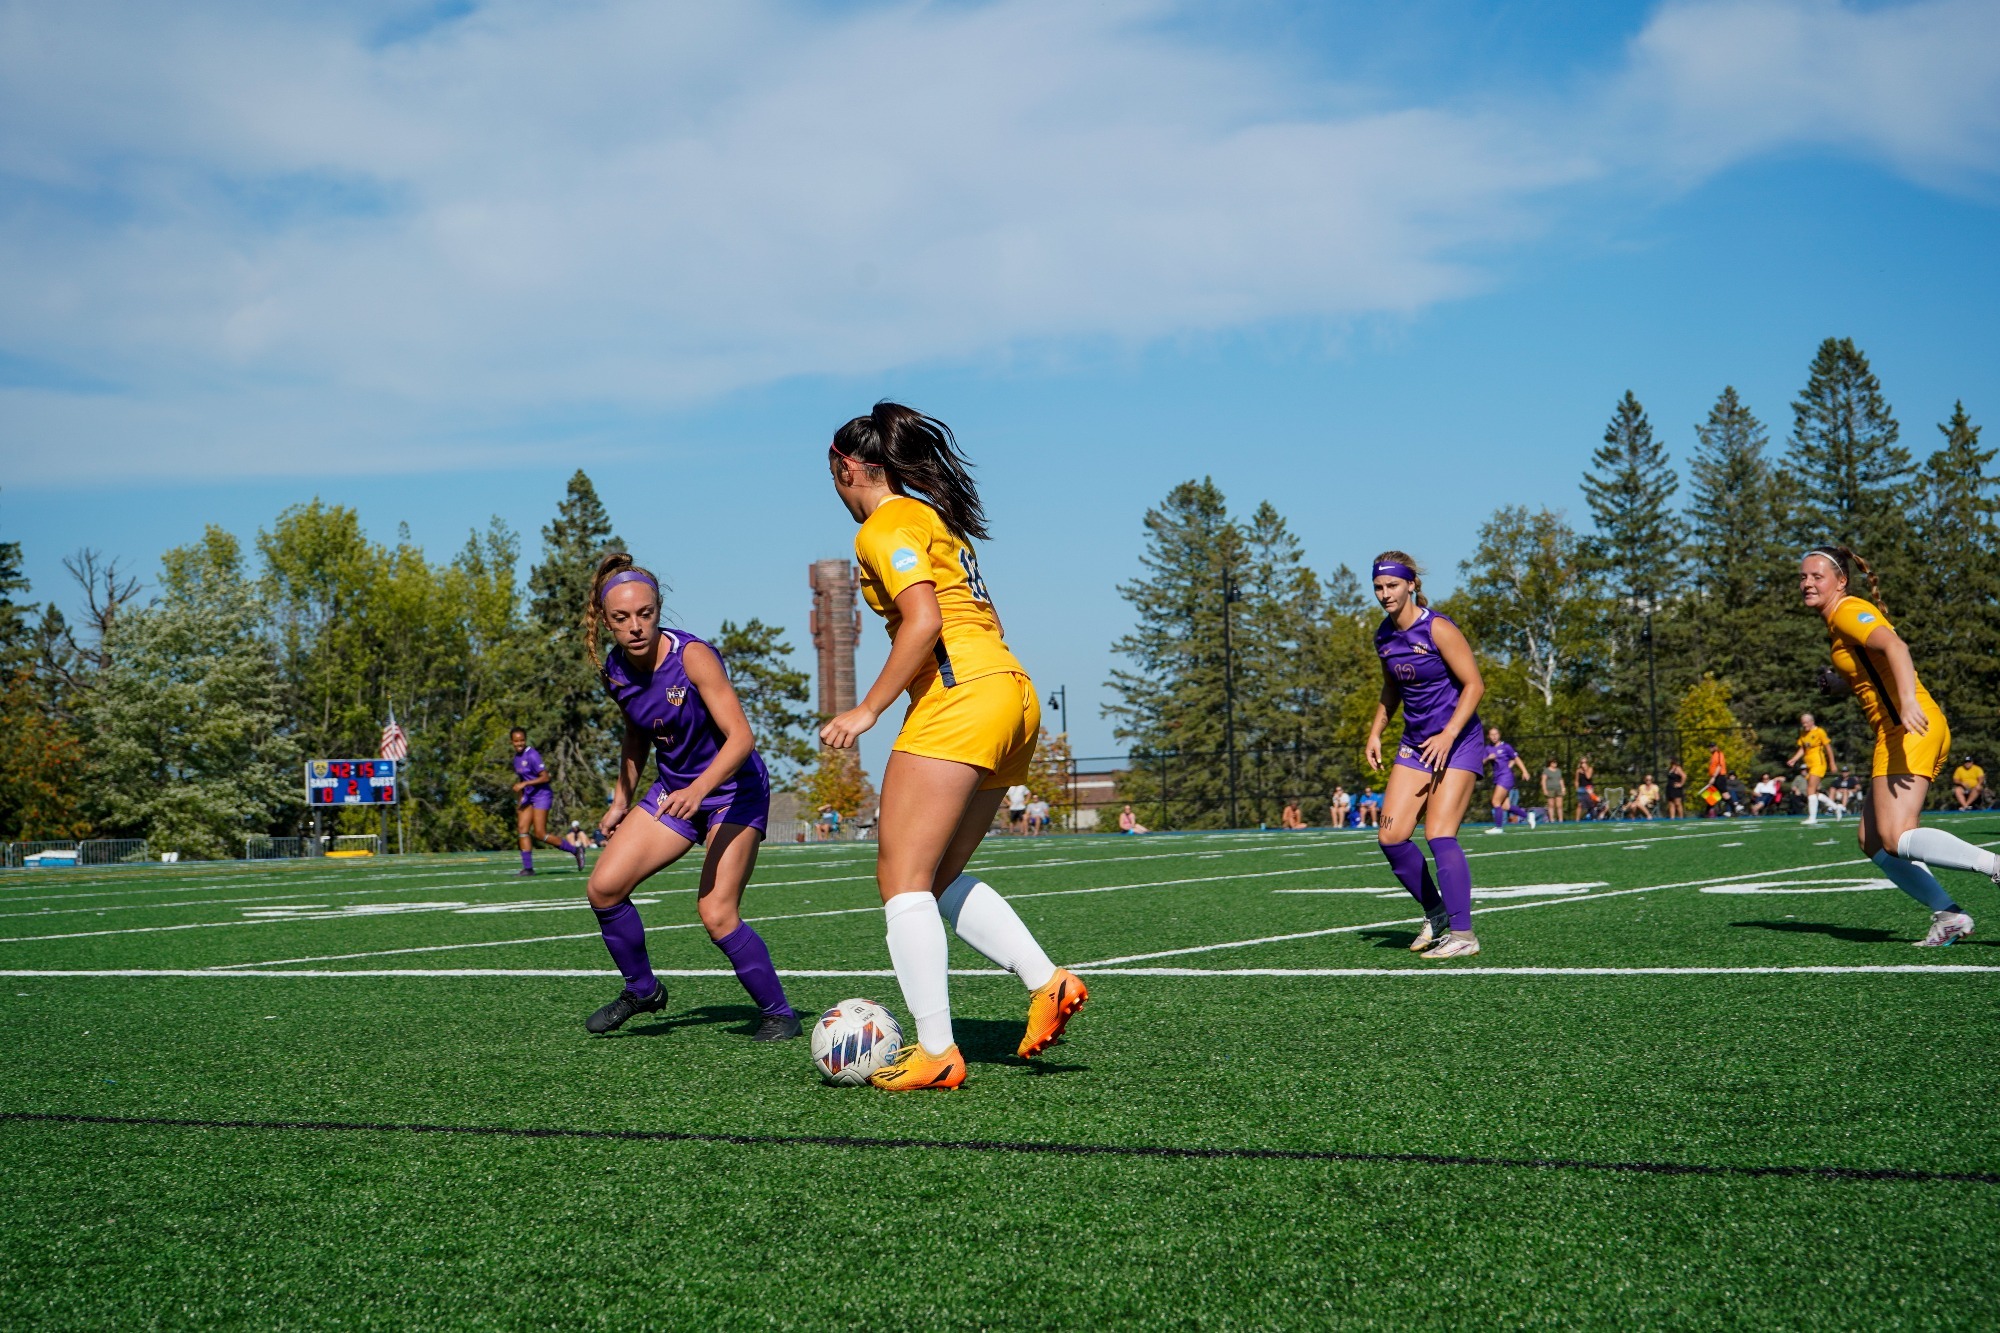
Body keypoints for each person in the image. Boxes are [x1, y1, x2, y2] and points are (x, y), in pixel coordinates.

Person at [820, 403, 1086, 1090]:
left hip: (961, 696)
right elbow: (981, 616)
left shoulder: (884, 525)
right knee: (935, 877)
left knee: (901, 880)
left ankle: (937, 1050)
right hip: (1009, 691)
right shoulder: (936, 520)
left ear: (847, 467)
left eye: (832, 476)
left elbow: (924, 619)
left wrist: (868, 709)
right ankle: (1047, 981)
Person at [580, 554, 800, 1041]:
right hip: (675, 792)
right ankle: (642, 990)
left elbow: (741, 738)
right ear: (606, 621)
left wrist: (699, 790)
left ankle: (779, 1013)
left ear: (659, 610)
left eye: (645, 613)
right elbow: (636, 734)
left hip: (733, 791)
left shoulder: (692, 657)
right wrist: (620, 800)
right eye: (622, 617)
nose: (636, 626)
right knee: (604, 889)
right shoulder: (615, 669)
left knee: (716, 913)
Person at [1801, 544, 1999, 946]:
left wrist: (1907, 702)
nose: (1807, 583)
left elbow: (1896, 647)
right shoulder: (1838, 621)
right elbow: (1873, 669)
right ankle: (1949, 915)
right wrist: (1841, 682)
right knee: (1873, 840)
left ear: (1841, 581)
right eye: (1803, 577)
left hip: (1908, 729)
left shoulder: (1846, 610)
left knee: (1896, 836)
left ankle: (1994, 865)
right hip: (1903, 731)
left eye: (1817, 576)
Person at [1364, 551, 1487, 961]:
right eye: (1379, 587)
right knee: (1390, 836)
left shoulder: (1438, 628)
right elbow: (1391, 689)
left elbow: (1474, 685)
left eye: (1393, 585)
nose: (1385, 594)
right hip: (1414, 744)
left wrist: (1449, 734)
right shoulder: (1384, 636)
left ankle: (1464, 934)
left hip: (1458, 741)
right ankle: (1435, 912)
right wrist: (1375, 732)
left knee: (1439, 834)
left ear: (1411, 584)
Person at [509, 728, 587, 876]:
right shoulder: (516, 758)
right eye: (516, 741)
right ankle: (528, 868)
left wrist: (525, 784)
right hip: (529, 796)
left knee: (540, 834)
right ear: (512, 742)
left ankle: (575, 850)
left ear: (525, 740)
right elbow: (521, 780)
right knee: (522, 830)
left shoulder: (532, 755)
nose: (519, 743)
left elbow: (545, 777)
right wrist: (520, 800)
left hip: (542, 795)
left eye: (522, 740)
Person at [1787, 711, 1842, 825]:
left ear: (1812, 722)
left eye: (1806, 723)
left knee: (1810, 789)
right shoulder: (1803, 733)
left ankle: (1812, 818)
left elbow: (1828, 748)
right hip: (1809, 765)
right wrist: (1794, 759)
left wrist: (1832, 763)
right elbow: (1803, 748)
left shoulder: (1819, 731)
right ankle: (1836, 807)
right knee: (1813, 792)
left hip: (1819, 764)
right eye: (1803, 723)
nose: (1804, 725)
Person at [1480, 725, 1535, 834]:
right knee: (1505, 806)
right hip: (1497, 778)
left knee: (1495, 801)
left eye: (1496, 734)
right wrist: (1488, 758)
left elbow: (1516, 759)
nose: (1494, 736)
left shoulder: (1506, 747)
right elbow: (1481, 762)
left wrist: (1524, 771)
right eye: (1492, 735)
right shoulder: (1488, 749)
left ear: (1499, 735)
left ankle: (1498, 827)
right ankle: (1528, 816)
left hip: (1506, 776)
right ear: (1489, 736)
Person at [1540, 759, 1565, 823]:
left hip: (1558, 789)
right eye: (1553, 762)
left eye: (1556, 762)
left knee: (1559, 805)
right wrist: (1544, 789)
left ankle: (1561, 819)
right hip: (1550, 789)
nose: (1555, 763)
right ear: (1550, 763)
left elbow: (1561, 779)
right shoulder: (1546, 771)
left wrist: (1563, 788)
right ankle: (1552, 820)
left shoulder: (1558, 770)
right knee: (1551, 805)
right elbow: (1543, 780)